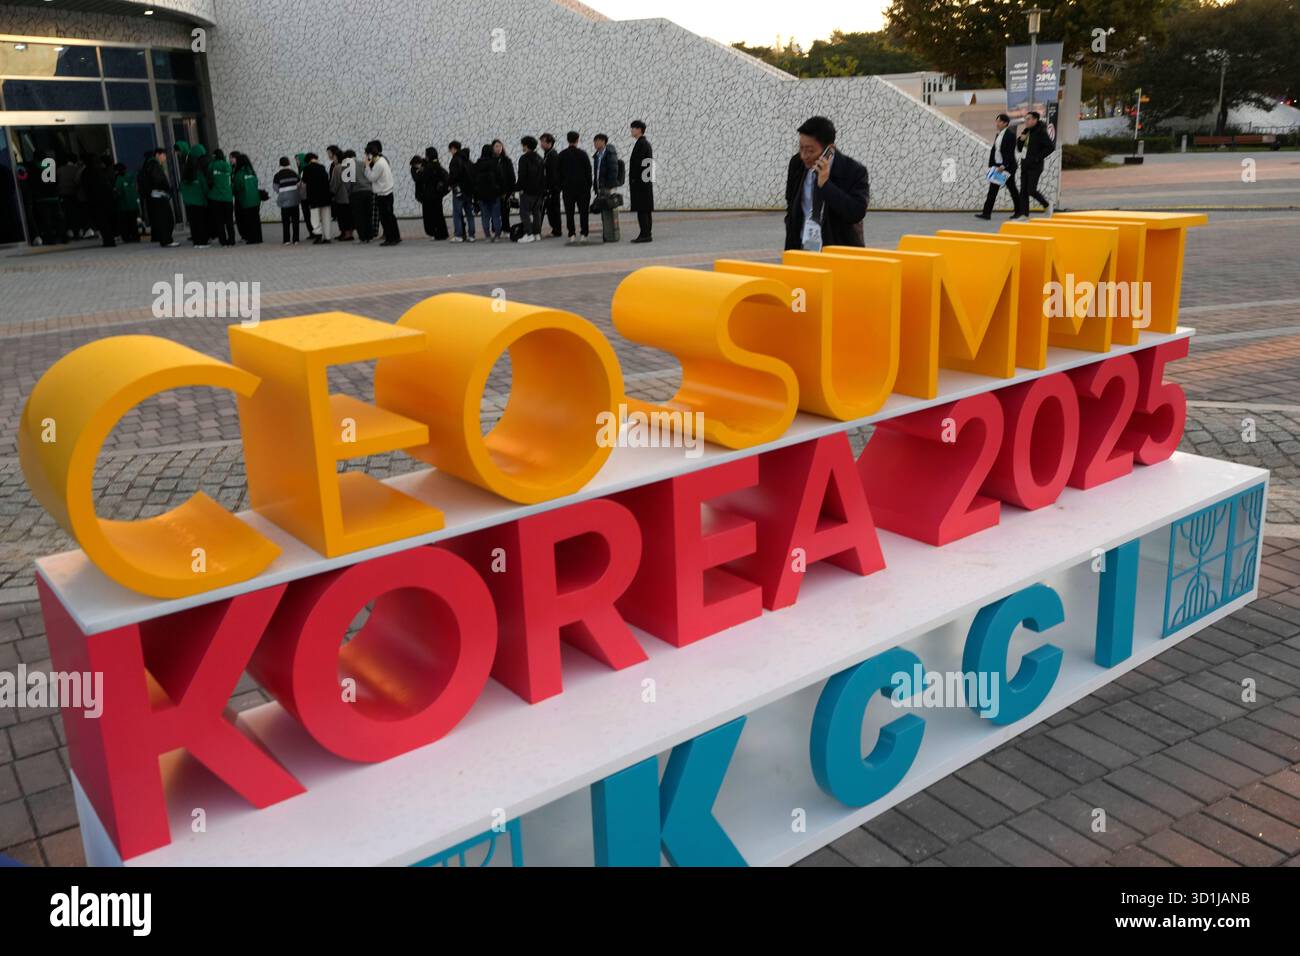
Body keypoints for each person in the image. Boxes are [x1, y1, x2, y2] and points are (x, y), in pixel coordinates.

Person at [783, 116, 868, 251]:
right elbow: (791, 203)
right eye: (801, 148)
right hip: (802, 248)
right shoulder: (797, 164)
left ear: (830, 150)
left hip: (837, 251)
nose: (804, 155)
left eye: (810, 151)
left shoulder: (853, 171)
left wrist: (826, 185)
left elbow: (856, 212)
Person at [975, 113, 1021, 221]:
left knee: (1012, 189)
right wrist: (993, 165)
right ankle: (986, 213)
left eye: (999, 121)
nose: (997, 123)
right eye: (996, 121)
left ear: (1005, 123)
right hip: (998, 167)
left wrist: (1004, 165)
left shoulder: (1010, 135)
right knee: (993, 190)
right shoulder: (999, 134)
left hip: (1007, 168)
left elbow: (1009, 152)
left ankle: (1019, 212)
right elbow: (996, 150)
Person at [1016, 111, 1055, 216]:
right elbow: (1020, 149)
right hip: (1025, 164)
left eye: (1028, 119)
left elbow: (1050, 147)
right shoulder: (1026, 131)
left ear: (1035, 120)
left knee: (1031, 190)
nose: (1026, 121)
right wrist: (1020, 140)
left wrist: (1037, 158)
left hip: (1035, 166)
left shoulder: (1040, 131)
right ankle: (1024, 215)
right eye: (1025, 119)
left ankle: (1046, 204)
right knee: (1023, 191)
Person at [365, 140, 400, 246]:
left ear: (370, 154)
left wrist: (367, 166)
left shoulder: (379, 164)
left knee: (386, 218)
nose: (366, 157)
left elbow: (371, 177)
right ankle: (395, 237)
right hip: (387, 193)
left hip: (383, 195)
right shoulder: (382, 160)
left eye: (366, 155)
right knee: (390, 217)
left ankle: (390, 239)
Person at [559, 130, 592, 244]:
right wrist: (589, 186)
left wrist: (561, 186)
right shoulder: (583, 154)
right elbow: (589, 171)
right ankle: (584, 233)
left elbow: (558, 172)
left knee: (569, 212)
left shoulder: (562, 154)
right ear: (577, 140)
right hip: (582, 188)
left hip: (568, 188)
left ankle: (571, 234)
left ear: (568, 140)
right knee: (583, 212)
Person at [142, 148, 178, 247]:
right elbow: (158, 179)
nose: (165, 158)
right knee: (166, 219)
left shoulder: (151, 165)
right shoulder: (154, 165)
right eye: (164, 155)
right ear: (158, 155)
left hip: (156, 195)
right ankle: (166, 240)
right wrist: (167, 188)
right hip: (159, 195)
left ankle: (165, 239)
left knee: (164, 218)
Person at [178, 142, 211, 248]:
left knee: (193, 223)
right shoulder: (199, 173)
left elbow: (181, 187)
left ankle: (196, 242)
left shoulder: (186, 173)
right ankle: (202, 242)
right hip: (199, 201)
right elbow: (204, 187)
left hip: (189, 202)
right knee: (201, 222)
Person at [515, 135, 545, 243]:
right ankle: (537, 233)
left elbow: (522, 175)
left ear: (526, 146)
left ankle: (529, 233)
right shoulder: (540, 158)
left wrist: (517, 188)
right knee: (537, 212)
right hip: (538, 191)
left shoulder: (524, 159)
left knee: (524, 212)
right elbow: (543, 176)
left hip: (527, 191)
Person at [592, 133, 621, 243]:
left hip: (607, 187)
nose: (595, 143)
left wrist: (610, 186)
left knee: (609, 209)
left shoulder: (609, 154)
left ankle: (611, 233)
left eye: (597, 141)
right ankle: (607, 232)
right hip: (600, 186)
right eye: (595, 141)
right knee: (604, 210)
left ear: (604, 142)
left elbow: (613, 171)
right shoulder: (597, 155)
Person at [628, 120, 654, 243]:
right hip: (645, 182)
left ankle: (645, 234)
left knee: (642, 209)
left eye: (633, 128)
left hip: (641, 183)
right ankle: (646, 233)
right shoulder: (645, 143)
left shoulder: (641, 144)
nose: (631, 130)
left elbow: (640, 164)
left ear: (639, 130)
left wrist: (636, 181)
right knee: (646, 209)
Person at [473, 143, 505, 241]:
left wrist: (476, 195)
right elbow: (501, 178)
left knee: (485, 216)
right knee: (496, 215)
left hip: (482, 194)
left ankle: (487, 236)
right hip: (494, 193)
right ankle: (497, 236)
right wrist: (502, 191)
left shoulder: (477, 164)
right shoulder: (495, 163)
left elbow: (474, 181)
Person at [447, 140, 476, 243]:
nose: (450, 152)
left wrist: (449, 184)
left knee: (457, 213)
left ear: (453, 149)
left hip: (459, 191)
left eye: (450, 150)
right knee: (469, 214)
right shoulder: (468, 160)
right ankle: (471, 235)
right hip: (469, 191)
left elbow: (454, 175)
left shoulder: (455, 160)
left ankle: (459, 235)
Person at [85, 154, 117, 248]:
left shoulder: (87, 172)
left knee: (102, 221)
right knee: (108, 219)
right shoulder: (102, 171)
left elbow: (86, 187)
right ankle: (111, 239)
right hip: (106, 199)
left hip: (95, 200)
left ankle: (107, 240)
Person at [205, 148, 235, 246]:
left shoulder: (211, 165)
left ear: (214, 156)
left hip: (215, 197)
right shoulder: (227, 166)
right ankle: (232, 240)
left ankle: (223, 241)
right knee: (229, 220)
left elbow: (208, 178)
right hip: (227, 197)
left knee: (219, 221)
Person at [232, 152, 264, 243]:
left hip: (245, 200)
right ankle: (258, 238)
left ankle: (251, 239)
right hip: (255, 199)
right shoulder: (252, 171)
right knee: (256, 220)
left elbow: (237, 187)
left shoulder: (239, 174)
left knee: (248, 220)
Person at [419, 147, 449, 240]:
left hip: (429, 195)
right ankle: (443, 233)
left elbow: (423, 179)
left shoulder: (428, 167)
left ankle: (435, 233)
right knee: (439, 214)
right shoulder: (438, 166)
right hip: (438, 195)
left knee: (430, 216)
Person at [303, 152, 332, 243]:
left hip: (313, 196)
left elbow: (304, 182)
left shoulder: (306, 168)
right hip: (325, 196)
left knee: (315, 216)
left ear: (307, 161)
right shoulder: (322, 167)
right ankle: (327, 237)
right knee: (326, 216)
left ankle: (318, 234)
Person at [327, 146, 354, 241]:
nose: (333, 159)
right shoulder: (349, 166)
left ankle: (346, 234)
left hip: (340, 196)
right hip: (350, 196)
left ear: (338, 157)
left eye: (334, 157)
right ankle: (349, 233)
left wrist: (331, 193)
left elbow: (334, 183)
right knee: (349, 215)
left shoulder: (337, 168)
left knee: (342, 216)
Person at [272, 156, 301, 244]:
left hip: (284, 201)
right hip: (294, 200)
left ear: (280, 164)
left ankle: (286, 240)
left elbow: (275, 187)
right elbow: (299, 184)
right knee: (295, 221)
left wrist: (282, 192)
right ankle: (296, 239)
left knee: (285, 221)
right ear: (289, 163)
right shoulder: (294, 173)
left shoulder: (277, 175)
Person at [539, 133, 562, 238]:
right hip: (550, 187)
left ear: (549, 143)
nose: (541, 144)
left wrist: (550, 188)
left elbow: (553, 174)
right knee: (551, 209)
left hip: (553, 188)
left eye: (543, 142)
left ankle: (557, 230)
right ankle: (555, 229)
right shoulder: (547, 154)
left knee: (554, 209)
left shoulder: (552, 155)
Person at [492, 139, 516, 234]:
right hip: (494, 190)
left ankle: (506, 229)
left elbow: (512, 176)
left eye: (500, 146)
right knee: (495, 211)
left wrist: (511, 190)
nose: (498, 148)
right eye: (496, 146)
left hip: (505, 190)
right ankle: (495, 229)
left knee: (505, 211)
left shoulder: (507, 160)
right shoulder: (491, 161)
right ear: (492, 148)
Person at [112, 162, 140, 243]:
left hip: (123, 205)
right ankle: (135, 237)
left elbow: (118, 192)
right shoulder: (131, 176)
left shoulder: (119, 179)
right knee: (133, 222)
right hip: (133, 204)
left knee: (125, 223)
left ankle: (127, 237)